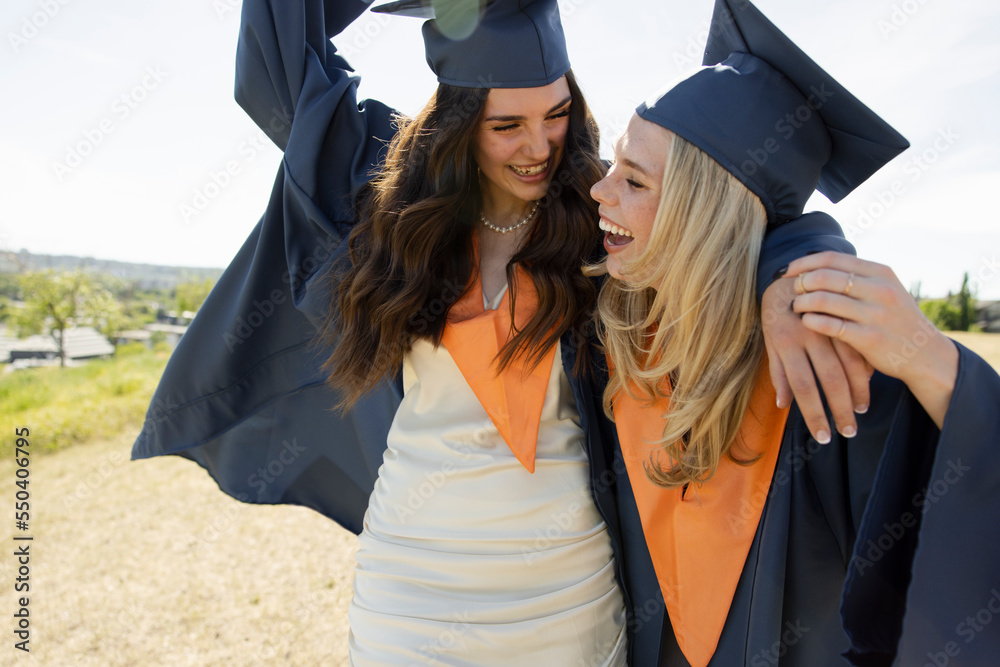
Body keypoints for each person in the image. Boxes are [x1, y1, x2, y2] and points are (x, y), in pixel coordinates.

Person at [132, 0, 866, 663]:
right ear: (456, 123)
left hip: (563, 584)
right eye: (505, 125)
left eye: (555, 114)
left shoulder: (598, 211)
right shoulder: (382, 193)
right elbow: (276, 63)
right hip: (412, 581)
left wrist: (789, 275)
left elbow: (736, 214)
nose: (540, 146)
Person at [587, 1, 1000, 665]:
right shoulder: (614, 338)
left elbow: (957, 542)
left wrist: (931, 359)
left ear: (704, 218)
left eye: (633, 179)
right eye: (613, 166)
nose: (599, 192)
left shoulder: (832, 374)